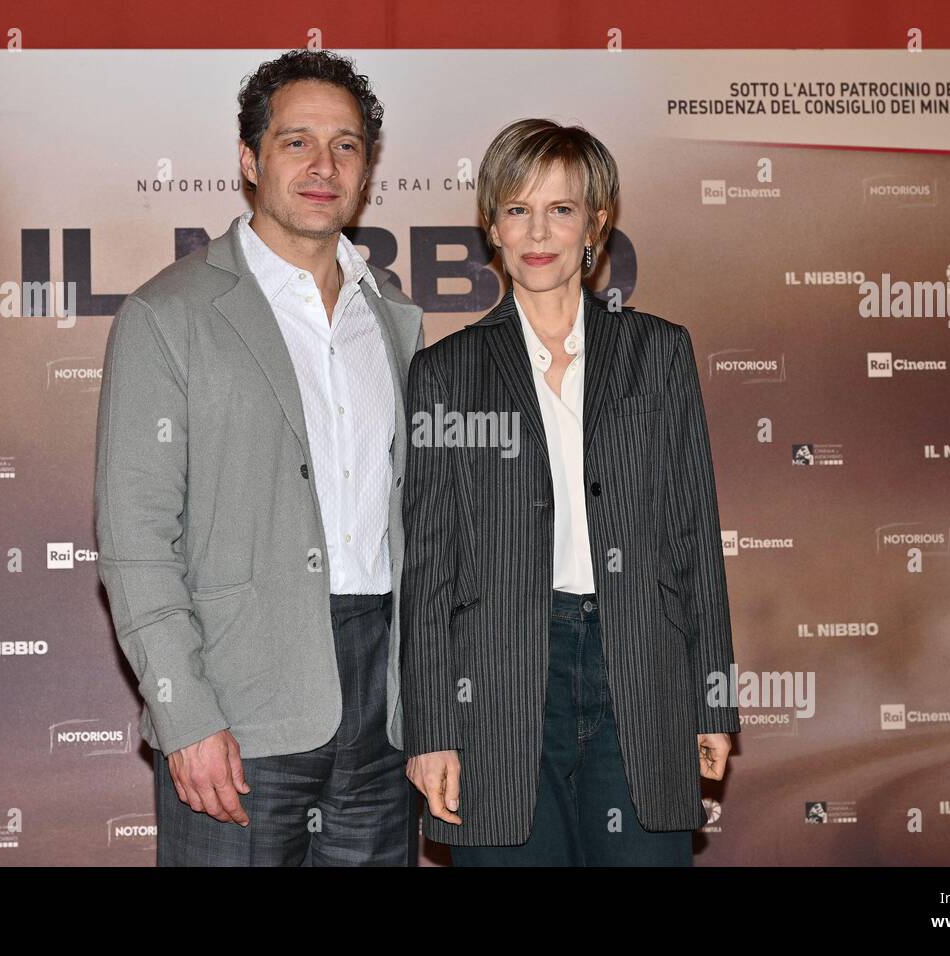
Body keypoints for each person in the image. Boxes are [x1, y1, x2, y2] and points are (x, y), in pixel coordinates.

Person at [94, 49, 424, 866]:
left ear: (367, 168)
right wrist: (187, 715)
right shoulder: (169, 314)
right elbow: (136, 542)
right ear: (250, 160)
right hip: (238, 709)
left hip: (385, 707)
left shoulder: (394, 317)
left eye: (346, 145)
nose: (323, 166)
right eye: (296, 142)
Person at [401, 118, 739, 865]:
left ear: (597, 221)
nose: (538, 231)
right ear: (492, 224)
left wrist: (711, 697)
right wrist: (431, 730)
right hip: (495, 685)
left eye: (561, 208)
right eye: (518, 209)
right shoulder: (445, 373)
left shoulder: (658, 353)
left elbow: (693, 536)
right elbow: (427, 568)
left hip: (640, 674)